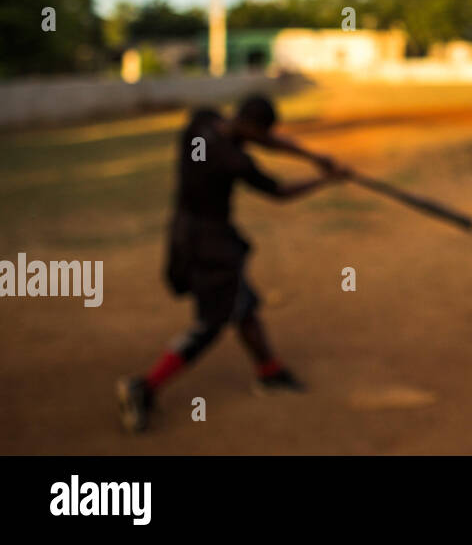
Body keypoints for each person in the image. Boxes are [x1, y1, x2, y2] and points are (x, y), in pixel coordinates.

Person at [117, 93, 350, 433]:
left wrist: (312, 156)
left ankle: (268, 371)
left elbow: (265, 141)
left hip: (191, 235)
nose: (265, 140)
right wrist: (326, 179)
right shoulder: (234, 160)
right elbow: (279, 192)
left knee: (243, 305)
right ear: (252, 128)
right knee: (212, 321)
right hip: (208, 246)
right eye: (262, 133)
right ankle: (143, 388)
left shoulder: (203, 122)